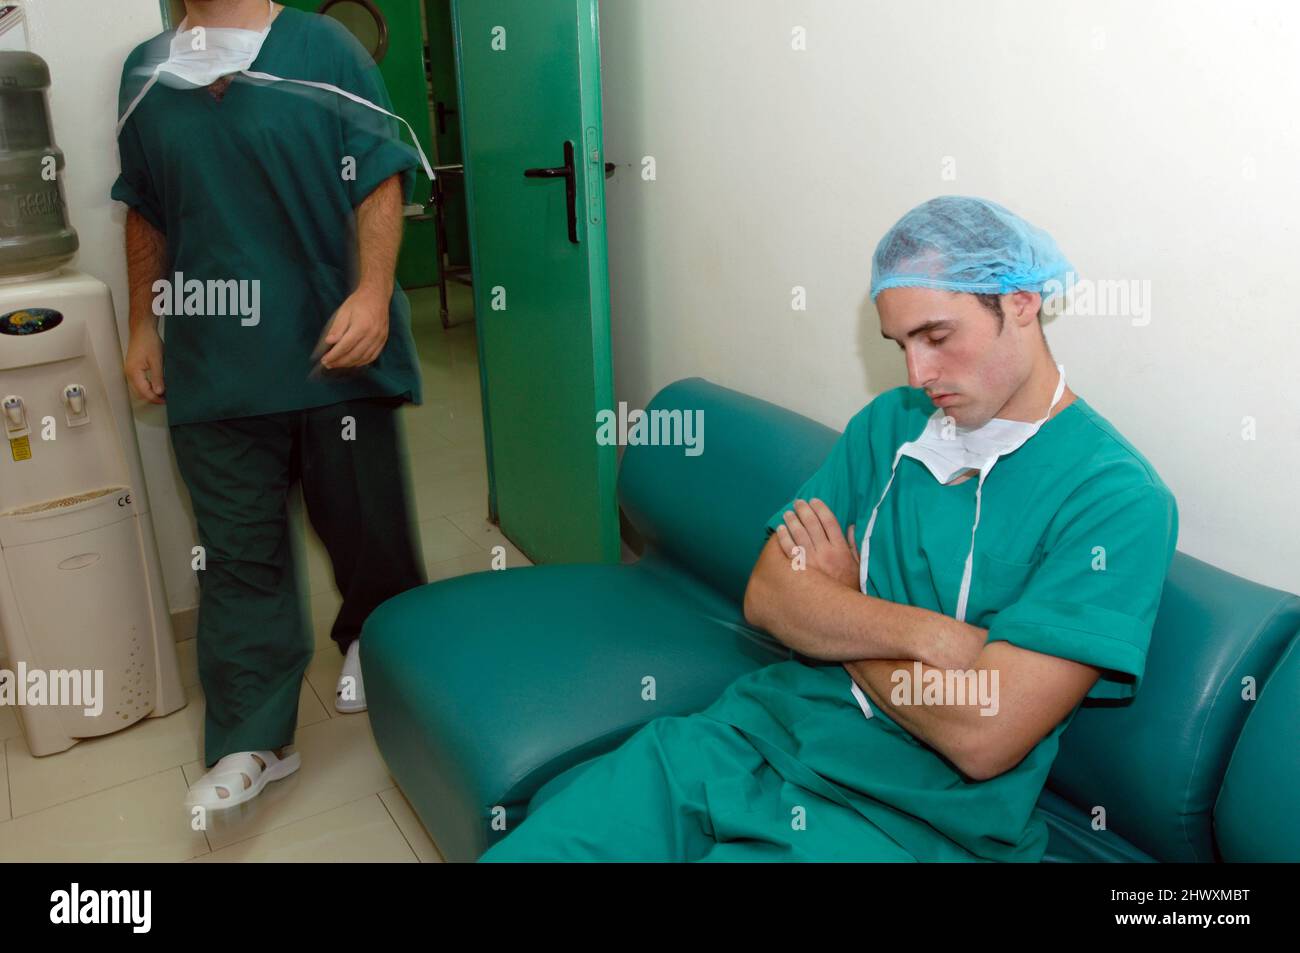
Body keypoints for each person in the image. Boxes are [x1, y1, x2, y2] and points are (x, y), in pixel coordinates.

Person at [479, 195, 1179, 861]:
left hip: (904, 820)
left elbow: (982, 732)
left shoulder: (1113, 499)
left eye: (937, 335)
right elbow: (768, 595)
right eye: (900, 342)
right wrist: (924, 633)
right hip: (748, 735)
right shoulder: (890, 424)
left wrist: (837, 613)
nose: (917, 371)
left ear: (1022, 302)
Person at [112, 0, 430, 809]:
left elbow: (381, 170)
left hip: (329, 341)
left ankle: (374, 637)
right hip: (213, 360)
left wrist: (374, 290)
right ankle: (252, 737)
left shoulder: (324, 48)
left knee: (363, 521)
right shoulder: (148, 73)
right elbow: (143, 206)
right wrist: (143, 321)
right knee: (237, 549)